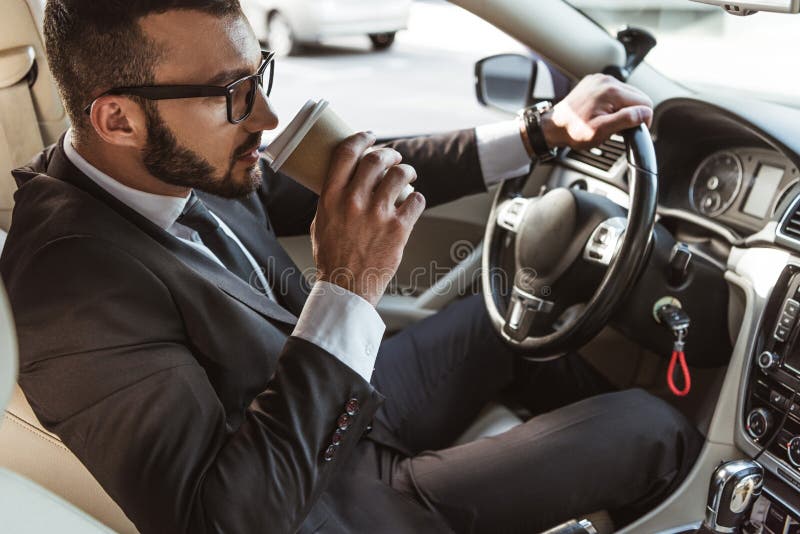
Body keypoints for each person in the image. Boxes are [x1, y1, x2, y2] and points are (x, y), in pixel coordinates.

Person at [0, 1, 702, 533]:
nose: (267, 118)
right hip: (327, 497)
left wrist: (538, 132)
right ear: (117, 120)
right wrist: (349, 286)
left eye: (259, 75)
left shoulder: (176, 165)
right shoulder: (70, 286)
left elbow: (347, 178)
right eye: (232, 94)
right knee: (651, 424)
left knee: (509, 321)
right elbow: (226, 519)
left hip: (344, 405)